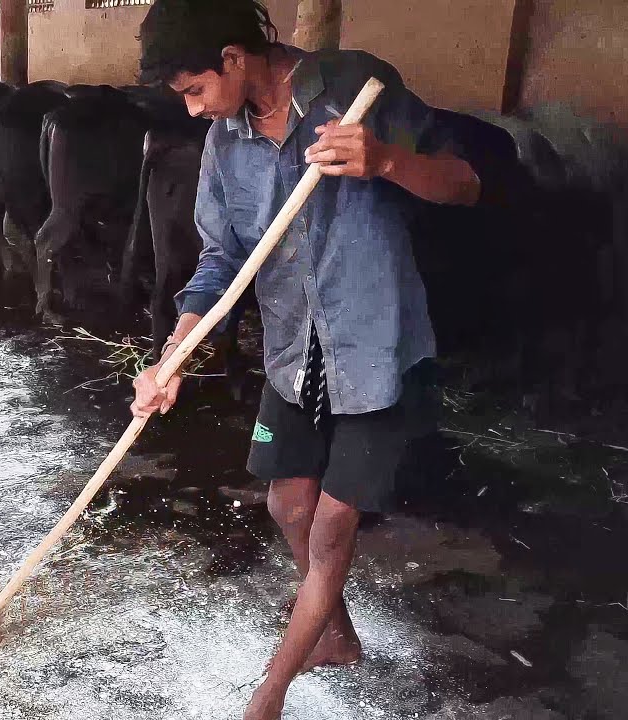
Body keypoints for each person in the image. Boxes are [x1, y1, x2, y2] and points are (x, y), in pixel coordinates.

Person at [131, 1, 481, 718]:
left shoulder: (356, 88)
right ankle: (337, 635)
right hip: (296, 351)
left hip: (376, 349)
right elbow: (219, 261)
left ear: (234, 58)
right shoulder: (227, 145)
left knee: (329, 529)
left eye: (196, 90)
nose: (195, 110)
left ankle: (270, 693)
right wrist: (173, 354)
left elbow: (465, 183)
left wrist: (384, 160)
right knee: (287, 503)